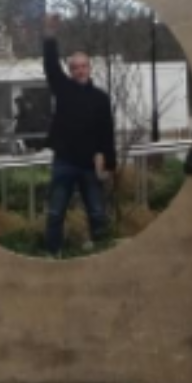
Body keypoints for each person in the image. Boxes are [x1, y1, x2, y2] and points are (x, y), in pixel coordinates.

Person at [41, 16, 118, 254]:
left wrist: (109, 163)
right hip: (64, 161)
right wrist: (49, 37)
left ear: (89, 67)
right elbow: (51, 66)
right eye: (74, 67)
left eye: (83, 66)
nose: (79, 70)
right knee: (55, 213)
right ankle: (53, 254)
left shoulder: (101, 98)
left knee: (97, 212)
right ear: (70, 70)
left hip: (89, 164)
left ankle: (102, 252)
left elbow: (107, 132)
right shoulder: (63, 88)